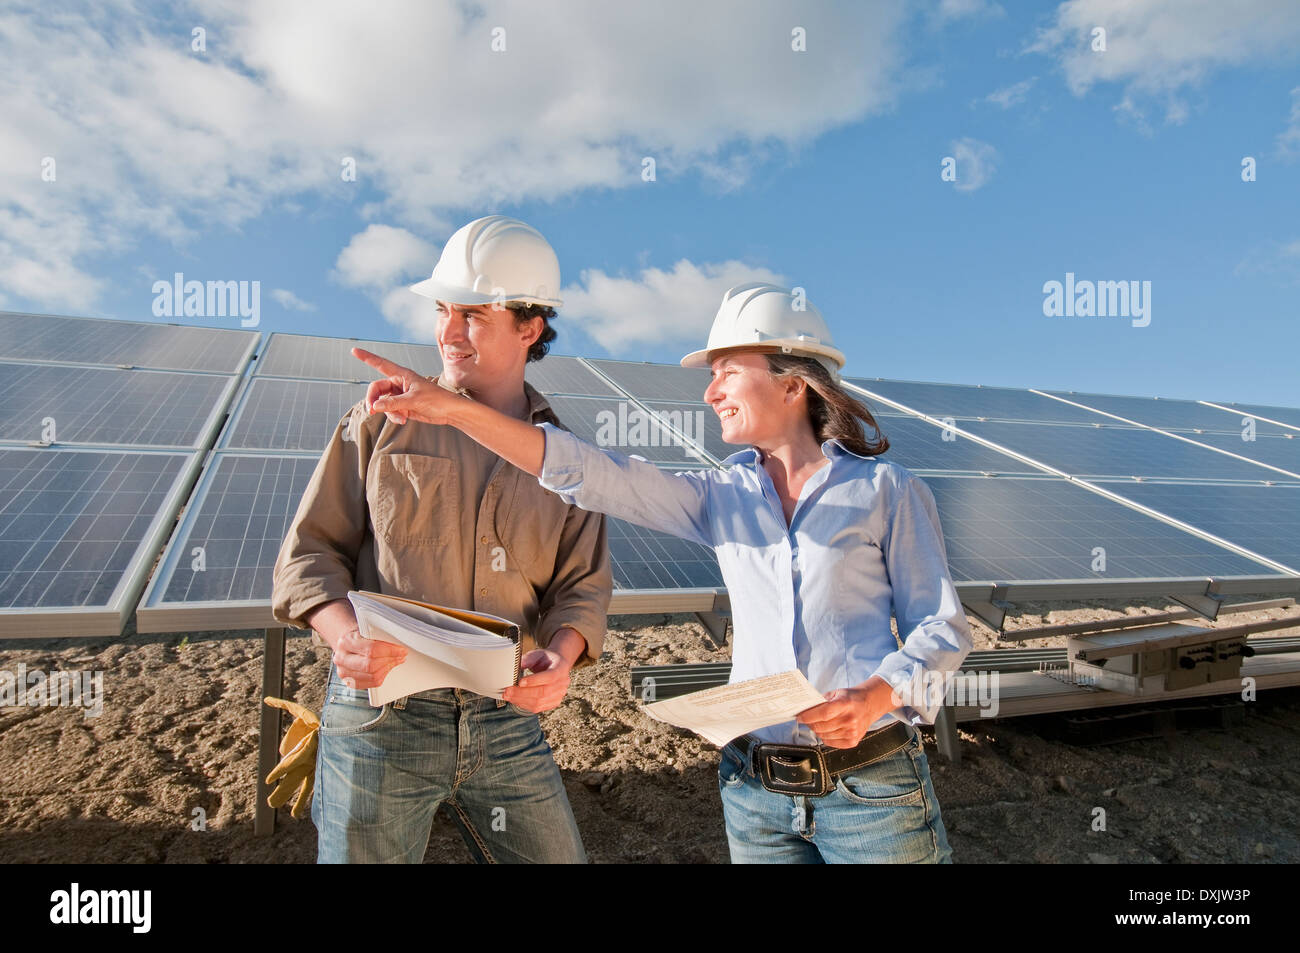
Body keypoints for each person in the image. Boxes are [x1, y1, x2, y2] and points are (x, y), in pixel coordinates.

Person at [353, 281, 973, 864]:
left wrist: (876, 696)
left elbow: (940, 628)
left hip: (871, 785)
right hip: (754, 793)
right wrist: (452, 411)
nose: (711, 392)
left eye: (728, 371)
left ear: (794, 385)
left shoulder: (885, 490)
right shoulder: (720, 496)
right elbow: (594, 475)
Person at [271, 215, 612, 864]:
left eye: (473, 316)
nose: (448, 333)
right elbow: (310, 556)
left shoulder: (567, 460)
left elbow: (581, 586)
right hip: (381, 718)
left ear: (529, 327)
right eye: (442, 311)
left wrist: (563, 658)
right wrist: (344, 637)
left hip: (507, 721)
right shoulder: (379, 423)